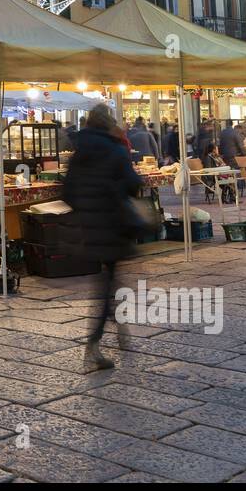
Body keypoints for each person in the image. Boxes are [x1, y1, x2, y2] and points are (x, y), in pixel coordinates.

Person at [60, 103, 142, 372]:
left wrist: (87, 208)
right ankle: (94, 344)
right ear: (109, 123)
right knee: (107, 284)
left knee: (109, 277)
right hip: (114, 224)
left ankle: (121, 330)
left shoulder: (79, 152)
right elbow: (134, 185)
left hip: (89, 225)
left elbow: (67, 193)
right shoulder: (116, 150)